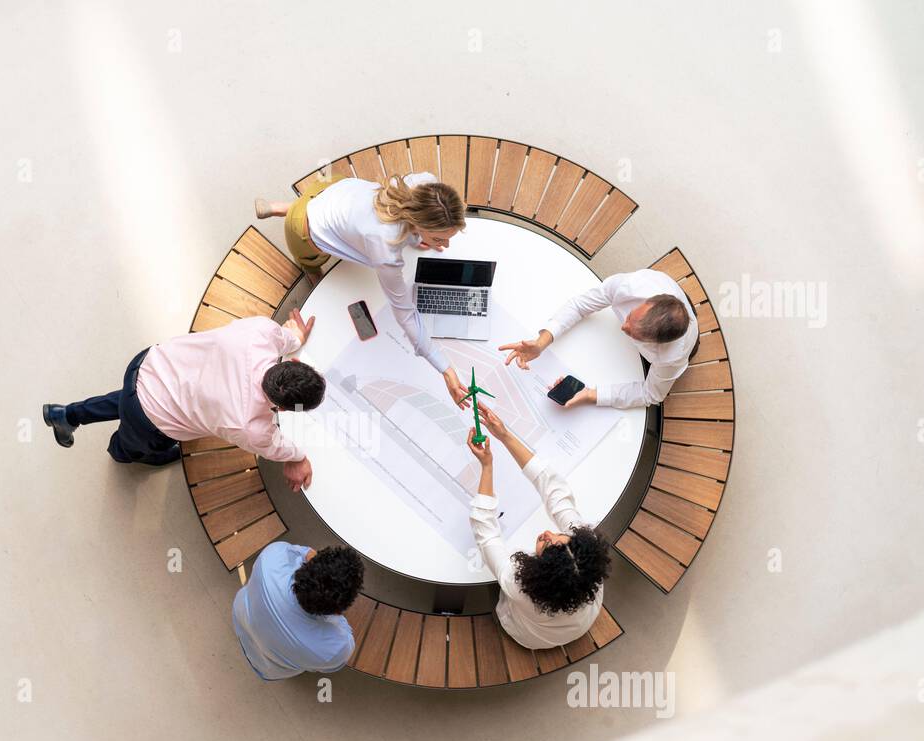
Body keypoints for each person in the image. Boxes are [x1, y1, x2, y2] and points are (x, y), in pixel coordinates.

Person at [254, 172, 471, 407]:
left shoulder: (424, 185)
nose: (446, 245)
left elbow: (405, 223)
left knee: (309, 206)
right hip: (306, 231)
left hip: (333, 192)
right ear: (417, 222)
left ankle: (282, 207)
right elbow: (405, 313)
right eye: (439, 238)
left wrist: (422, 238)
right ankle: (290, 219)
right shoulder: (385, 246)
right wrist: (446, 370)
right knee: (312, 267)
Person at [41, 310, 321, 491]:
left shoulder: (260, 332)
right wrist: (299, 456)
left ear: (294, 363)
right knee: (129, 443)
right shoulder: (250, 426)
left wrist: (294, 338)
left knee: (128, 399)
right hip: (152, 418)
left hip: (148, 366)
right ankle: (122, 452)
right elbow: (275, 447)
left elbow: (284, 337)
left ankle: (67, 415)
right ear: (283, 407)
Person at [465, 404, 611, 649]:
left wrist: (487, 466)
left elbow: (486, 531)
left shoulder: (518, 585)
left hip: (531, 636)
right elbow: (554, 490)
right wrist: (504, 435)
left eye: (546, 545)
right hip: (583, 620)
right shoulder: (583, 558)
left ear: (540, 574)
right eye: (560, 537)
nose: (547, 534)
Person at [499, 269, 698, 409]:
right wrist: (541, 343)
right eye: (629, 318)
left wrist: (591, 394)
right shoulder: (631, 285)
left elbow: (652, 395)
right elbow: (579, 305)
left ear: (656, 344)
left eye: (632, 334)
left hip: (677, 349)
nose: (623, 326)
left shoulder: (671, 357)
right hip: (665, 289)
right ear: (647, 301)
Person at [231, 543, 364, 680]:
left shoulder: (272, 557)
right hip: (269, 668)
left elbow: (303, 553)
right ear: (339, 609)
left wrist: (310, 556)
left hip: (241, 617)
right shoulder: (337, 649)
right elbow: (344, 635)